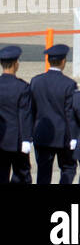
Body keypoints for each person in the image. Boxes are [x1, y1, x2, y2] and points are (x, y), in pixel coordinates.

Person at [31, 43, 77, 184]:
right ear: (63, 61)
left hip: (42, 134)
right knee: (68, 168)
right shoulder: (69, 84)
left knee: (43, 172)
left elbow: (31, 109)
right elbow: (70, 113)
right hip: (63, 136)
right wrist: (74, 136)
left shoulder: (36, 81)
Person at [0, 44, 33, 182]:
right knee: (22, 175)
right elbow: (25, 115)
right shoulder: (22, 87)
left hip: (1, 139)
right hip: (16, 140)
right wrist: (27, 139)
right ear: (15, 64)